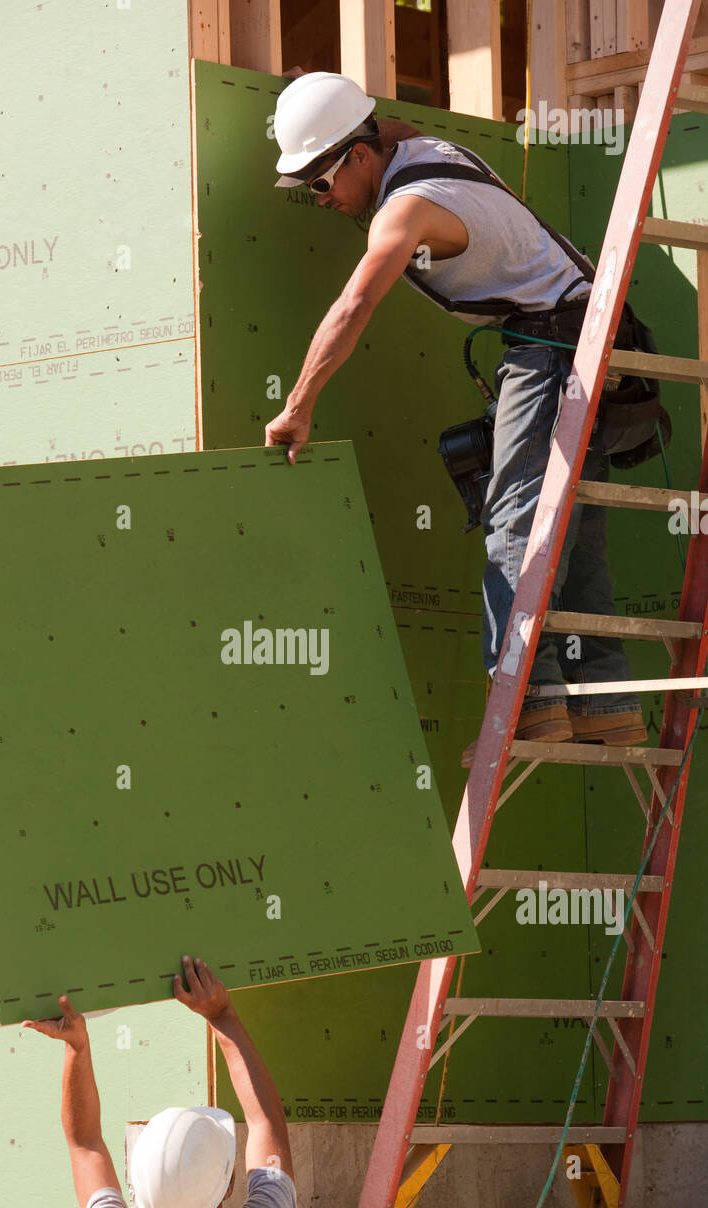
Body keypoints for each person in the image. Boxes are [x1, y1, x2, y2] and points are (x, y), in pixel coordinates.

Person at [264, 71, 647, 764]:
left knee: (516, 522)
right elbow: (391, 129)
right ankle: (608, 707)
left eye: (321, 184)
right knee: (575, 528)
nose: (322, 202)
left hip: (555, 345)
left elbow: (353, 308)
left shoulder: (404, 212)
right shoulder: (419, 151)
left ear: (358, 154)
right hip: (594, 335)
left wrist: (297, 408)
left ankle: (526, 704)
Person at [23, 955, 298, 1208]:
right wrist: (220, 1015)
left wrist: (76, 1046)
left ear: (141, 1193)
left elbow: (85, 1146)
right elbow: (265, 1122)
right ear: (228, 1185)